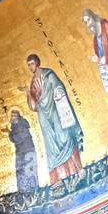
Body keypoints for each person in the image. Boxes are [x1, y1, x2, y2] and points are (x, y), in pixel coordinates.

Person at [23, 55, 83, 184]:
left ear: (37, 63)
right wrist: (29, 93)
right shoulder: (33, 82)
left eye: (32, 63)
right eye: (28, 65)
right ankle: (59, 179)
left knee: (65, 137)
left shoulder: (49, 74)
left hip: (56, 110)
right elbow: (33, 107)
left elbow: (59, 89)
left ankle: (79, 169)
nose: (30, 67)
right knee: (52, 147)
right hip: (44, 116)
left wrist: (45, 93)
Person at [7, 109, 39, 192]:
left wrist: (10, 134)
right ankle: (24, 191)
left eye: (14, 115)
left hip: (28, 151)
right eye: (11, 116)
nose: (12, 118)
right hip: (20, 153)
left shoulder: (23, 125)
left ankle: (33, 190)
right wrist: (11, 133)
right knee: (21, 172)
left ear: (18, 116)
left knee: (30, 171)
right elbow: (14, 138)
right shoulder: (14, 127)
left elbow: (18, 138)